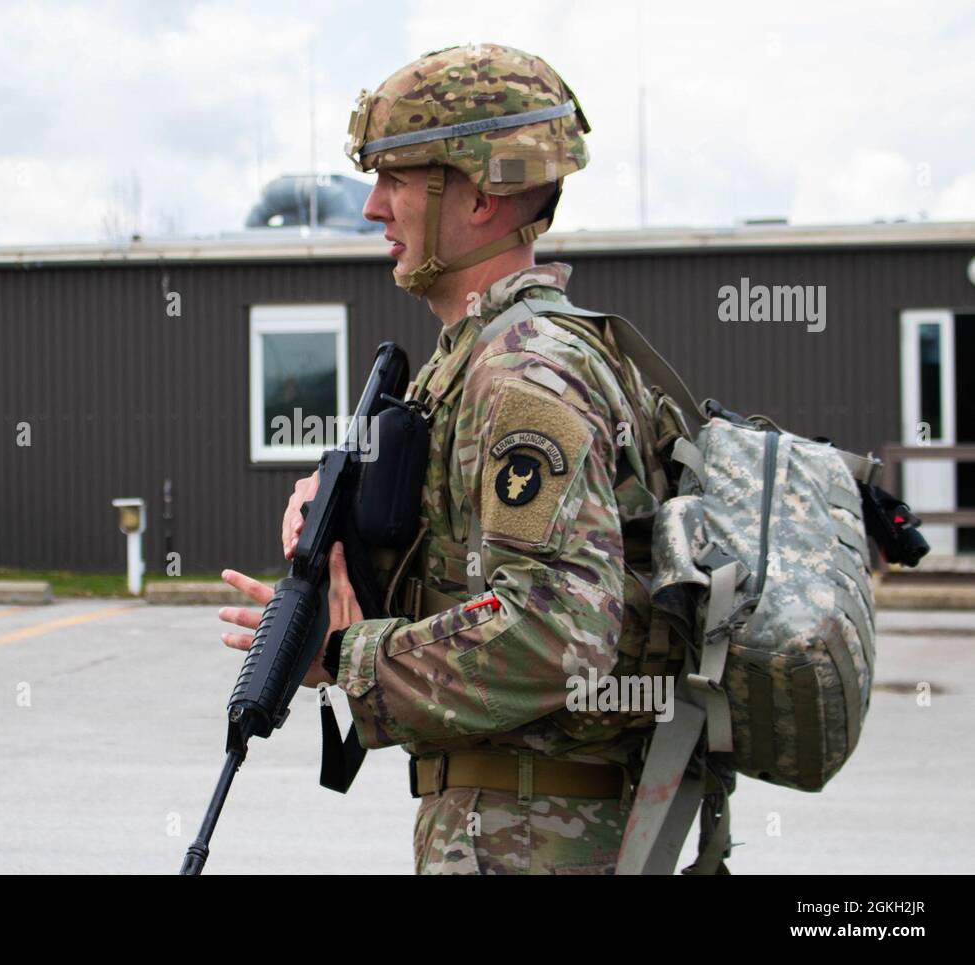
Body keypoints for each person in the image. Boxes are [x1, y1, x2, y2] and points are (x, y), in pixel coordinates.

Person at [219, 43, 682, 874]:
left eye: (396, 178)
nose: (371, 208)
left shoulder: (524, 374)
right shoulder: (480, 360)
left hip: (536, 842)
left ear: (481, 194)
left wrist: (347, 656)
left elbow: (552, 632)